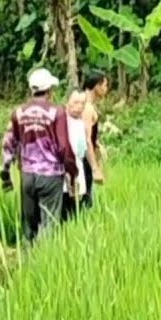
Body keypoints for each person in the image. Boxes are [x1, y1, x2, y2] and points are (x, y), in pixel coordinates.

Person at [0, 68, 79, 244]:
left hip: (27, 175)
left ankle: (26, 263)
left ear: (31, 90)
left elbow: (8, 144)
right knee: (49, 225)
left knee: (29, 226)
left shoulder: (19, 113)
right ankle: (43, 264)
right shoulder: (57, 112)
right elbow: (64, 147)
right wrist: (73, 171)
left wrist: (5, 172)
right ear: (50, 90)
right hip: (50, 175)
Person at [80, 71, 110, 209]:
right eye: (105, 85)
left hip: (83, 156)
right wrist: (95, 168)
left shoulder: (83, 104)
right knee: (86, 200)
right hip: (83, 158)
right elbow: (86, 139)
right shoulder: (87, 108)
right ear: (97, 86)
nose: (106, 88)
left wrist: (97, 144)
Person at [61, 91, 89, 222]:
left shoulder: (80, 124)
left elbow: (82, 151)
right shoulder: (59, 122)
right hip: (61, 174)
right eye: (75, 102)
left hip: (77, 172)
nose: (78, 107)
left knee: (75, 212)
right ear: (67, 102)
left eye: (82, 103)